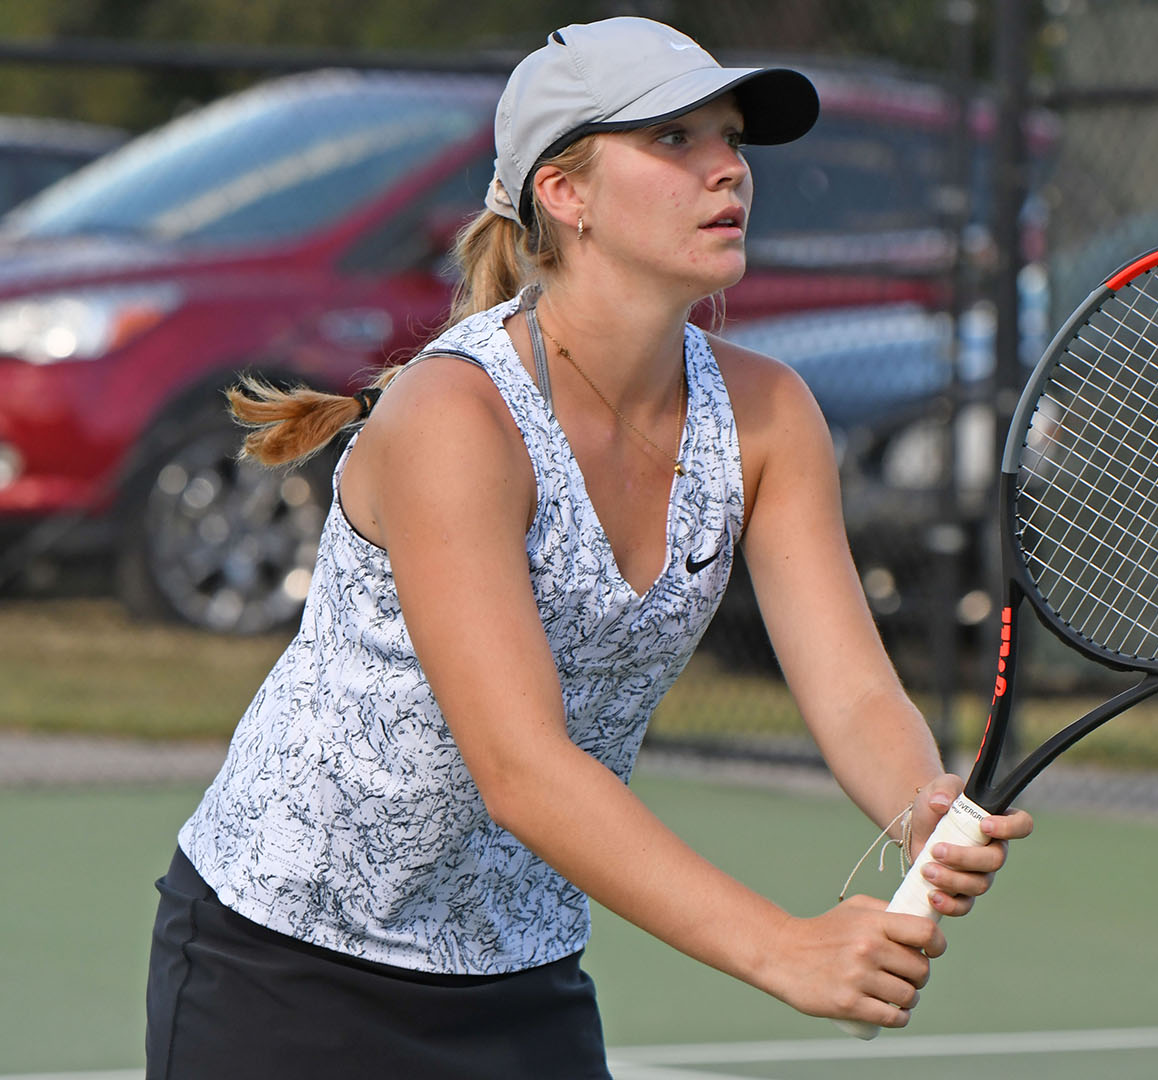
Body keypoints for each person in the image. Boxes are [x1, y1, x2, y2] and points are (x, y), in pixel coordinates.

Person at [144, 18, 1031, 1079]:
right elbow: (521, 767)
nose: (726, 170)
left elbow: (848, 689)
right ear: (564, 193)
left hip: (521, 973)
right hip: (281, 969)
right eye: (674, 141)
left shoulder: (769, 417)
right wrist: (783, 950)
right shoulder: (456, 419)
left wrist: (915, 797)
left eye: (732, 140)